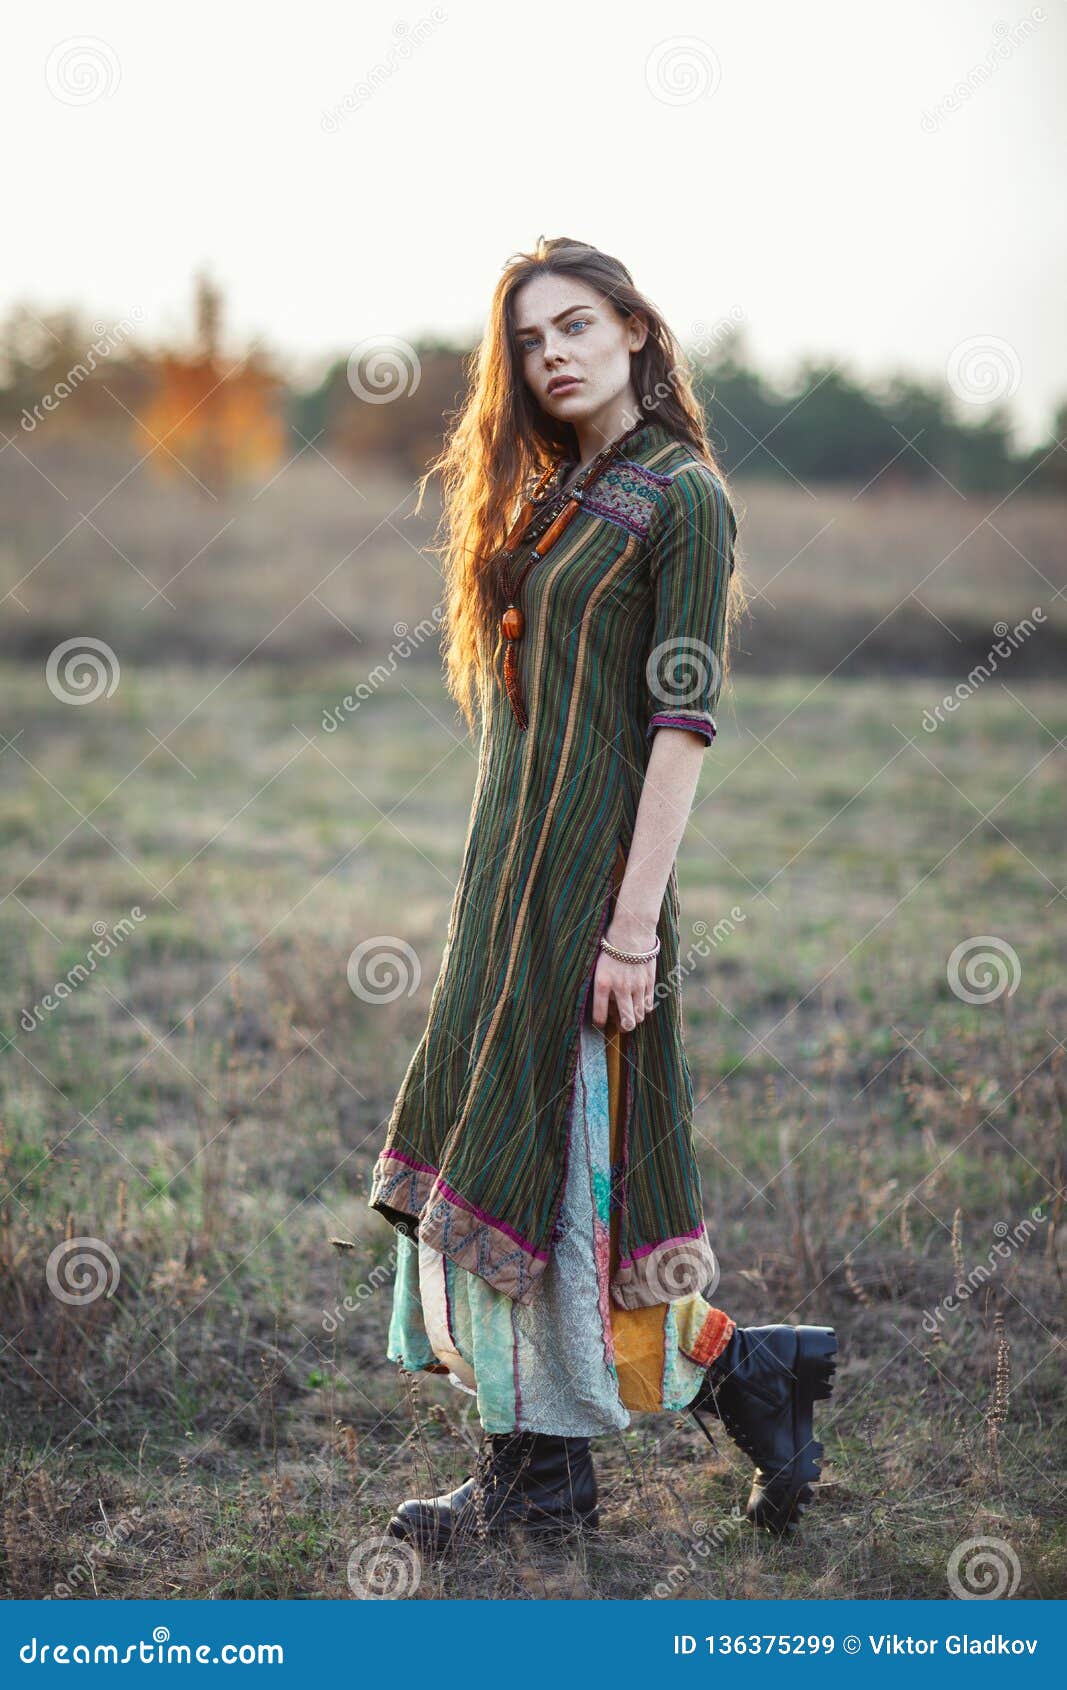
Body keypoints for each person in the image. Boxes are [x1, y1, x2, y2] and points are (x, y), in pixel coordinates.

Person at [366, 236, 837, 1554]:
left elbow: (681, 723)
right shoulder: (556, 495)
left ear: (636, 328)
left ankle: (568, 1469)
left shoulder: (684, 498)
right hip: (504, 901)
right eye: (527, 338)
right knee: (500, 1151)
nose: (550, 353)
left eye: (575, 324)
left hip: (593, 904)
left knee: (566, 1170)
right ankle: (663, 1414)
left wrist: (632, 927)